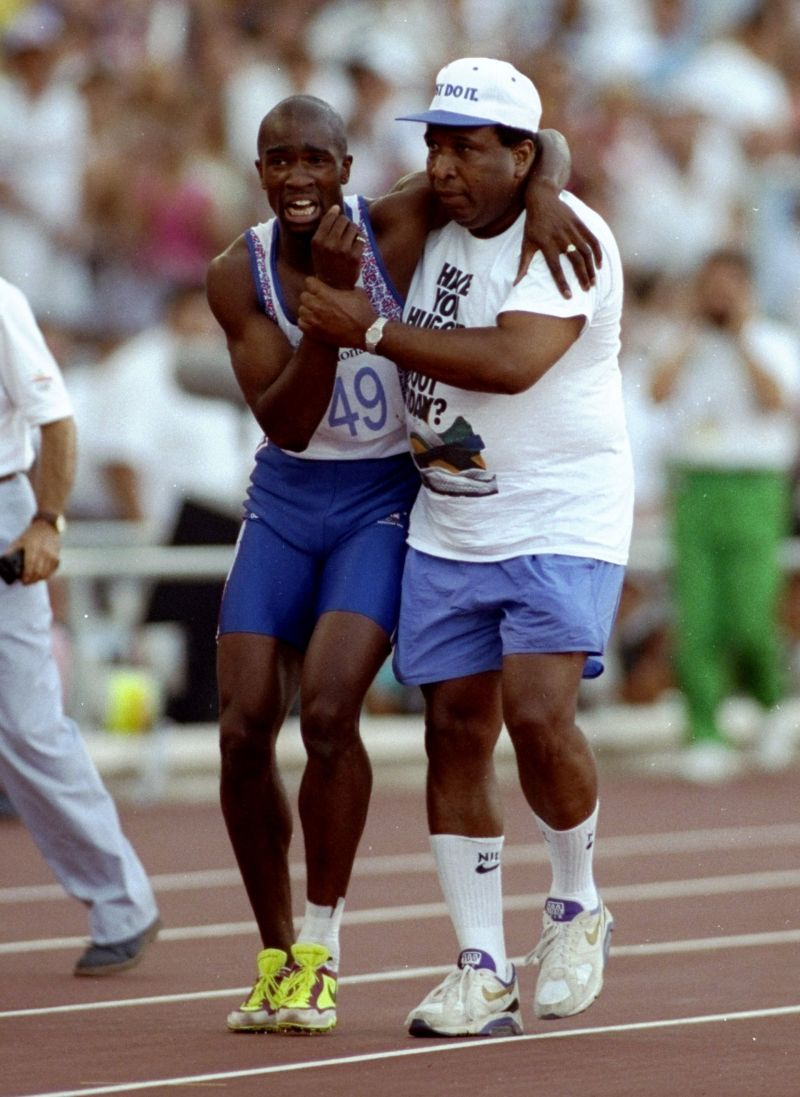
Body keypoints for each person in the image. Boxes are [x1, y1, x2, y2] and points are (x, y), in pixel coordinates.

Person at [206, 91, 602, 1035]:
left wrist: (549, 194)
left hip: (381, 499)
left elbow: (525, 150)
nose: (298, 179)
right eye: (278, 162)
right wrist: (327, 319)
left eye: (317, 160)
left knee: (335, 707)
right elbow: (290, 421)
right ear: (257, 173)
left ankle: (322, 943)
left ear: (350, 172)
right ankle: (275, 955)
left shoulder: (402, 218)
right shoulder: (237, 274)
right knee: (239, 724)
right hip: (287, 498)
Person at [298, 57, 633, 1038]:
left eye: (469, 146)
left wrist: (372, 327)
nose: (442, 164)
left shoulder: (569, 241)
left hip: (558, 512)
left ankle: (575, 902)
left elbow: (514, 363)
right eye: (435, 142)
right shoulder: (436, 216)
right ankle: (479, 965)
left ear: (520, 154)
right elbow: (389, 204)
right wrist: (526, 171)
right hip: (451, 518)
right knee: (452, 729)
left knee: (534, 713)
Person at [0, 275, 161, 975]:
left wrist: (46, 521)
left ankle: (123, 901)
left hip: (5, 507)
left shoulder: (0, 304)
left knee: (29, 726)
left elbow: (55, 417)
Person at [649, 246, 800, 781]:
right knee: (699, 614)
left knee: (752, 613)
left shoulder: (773, 340)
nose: (718, 294)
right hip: (696, 483)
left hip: (755, 486)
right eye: (710, 284)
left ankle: (772, 706)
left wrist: (738, 336)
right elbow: (657, 392)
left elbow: (774, 399)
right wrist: (693, 337)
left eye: (729, 285)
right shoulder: (681, 341)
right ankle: (705, 730)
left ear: (747, 289)